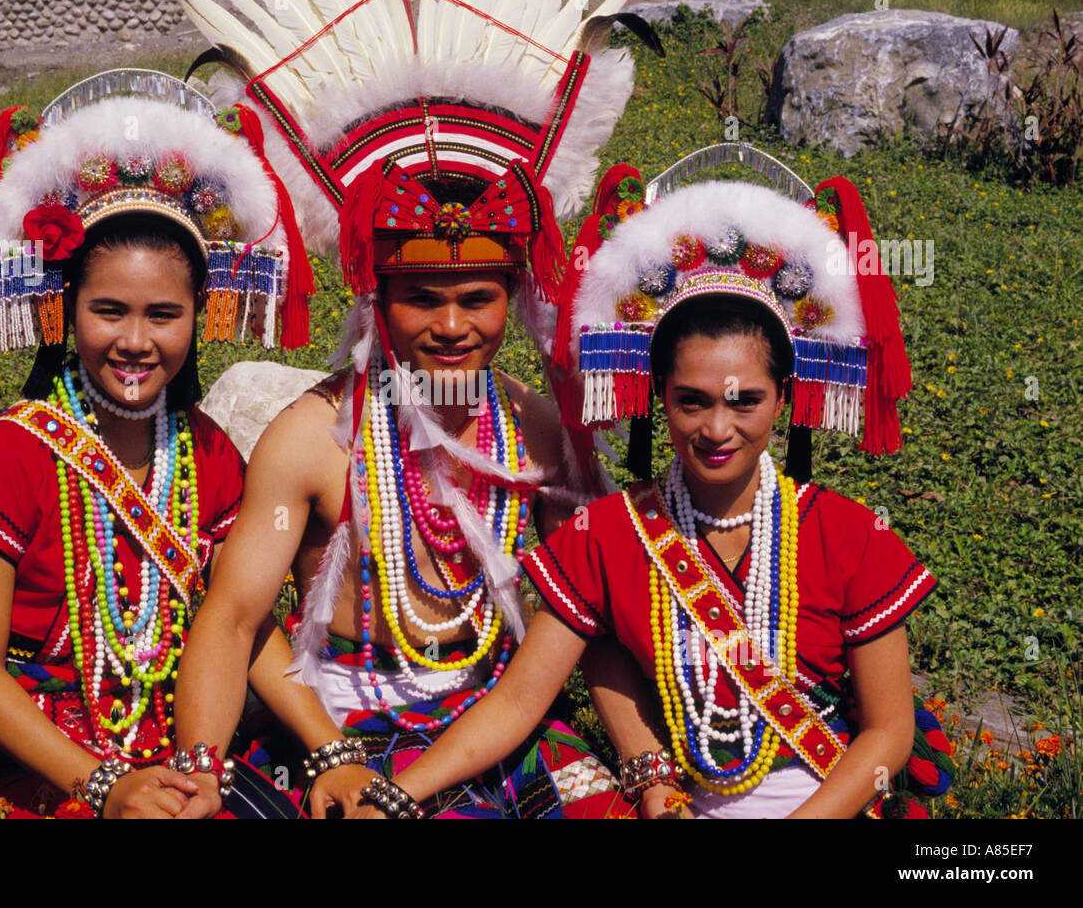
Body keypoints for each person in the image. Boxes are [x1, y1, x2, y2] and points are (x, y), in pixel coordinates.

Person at [174, 0, 648, 818]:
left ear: (515, 297)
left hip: (500, 716)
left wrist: (648, 765)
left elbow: (598, 609)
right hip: (347, 720)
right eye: (421, 298)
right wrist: (201, 772)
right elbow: (235, 615)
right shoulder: (315, 437)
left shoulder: (540, 435)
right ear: (376, 299)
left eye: (477, 298)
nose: (452, 325)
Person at [354, 159, 943, 819]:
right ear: (658, 395)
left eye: (744, 400)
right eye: (691, 401)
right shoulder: (607, 534)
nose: (717, 428)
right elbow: (520, 701)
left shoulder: (850, 534)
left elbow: (889, 732)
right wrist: (394, 796)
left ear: (784, 398)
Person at [0, 69, 312, 819]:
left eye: (163, 313)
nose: (135, 341)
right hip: (30, 751)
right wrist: (104, 786)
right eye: (108, 311)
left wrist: (316, 747)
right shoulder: (6, 457)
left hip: (181, 732)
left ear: (203, 313)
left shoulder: (211, 454)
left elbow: (244, 620)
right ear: (66, 307)